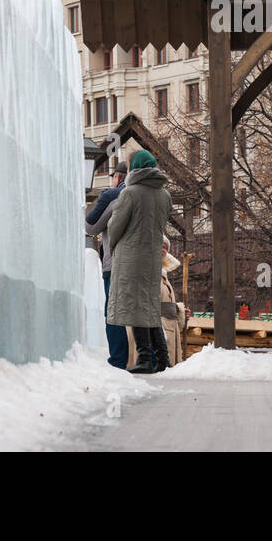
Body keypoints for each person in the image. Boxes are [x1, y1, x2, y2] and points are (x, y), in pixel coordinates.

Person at [107, 149, 174, 374]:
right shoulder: (164, 195)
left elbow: (115, 227)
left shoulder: (130, 193)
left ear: (134, 168)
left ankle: (145, 358)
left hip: (131, 257)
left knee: (136, 308)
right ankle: (162, 358)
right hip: (152, 258)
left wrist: (115, 244)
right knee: (149, 307)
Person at [85, 161, 129, 369]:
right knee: (140, 310)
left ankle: (118, 361)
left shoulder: (114, 195)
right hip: (142, 263)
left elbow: (91, 226)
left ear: (118, 177)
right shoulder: (151, 192)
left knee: (112, 311)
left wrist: (100, 200)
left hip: (115, 263)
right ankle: (151, 358)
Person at [160, 236, 187, 366]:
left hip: (169, 330)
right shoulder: (149, 274)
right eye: (159, 245)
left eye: (165, 247)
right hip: (159, 333)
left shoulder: (164, 276)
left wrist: (179, 311)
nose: (162, 249)